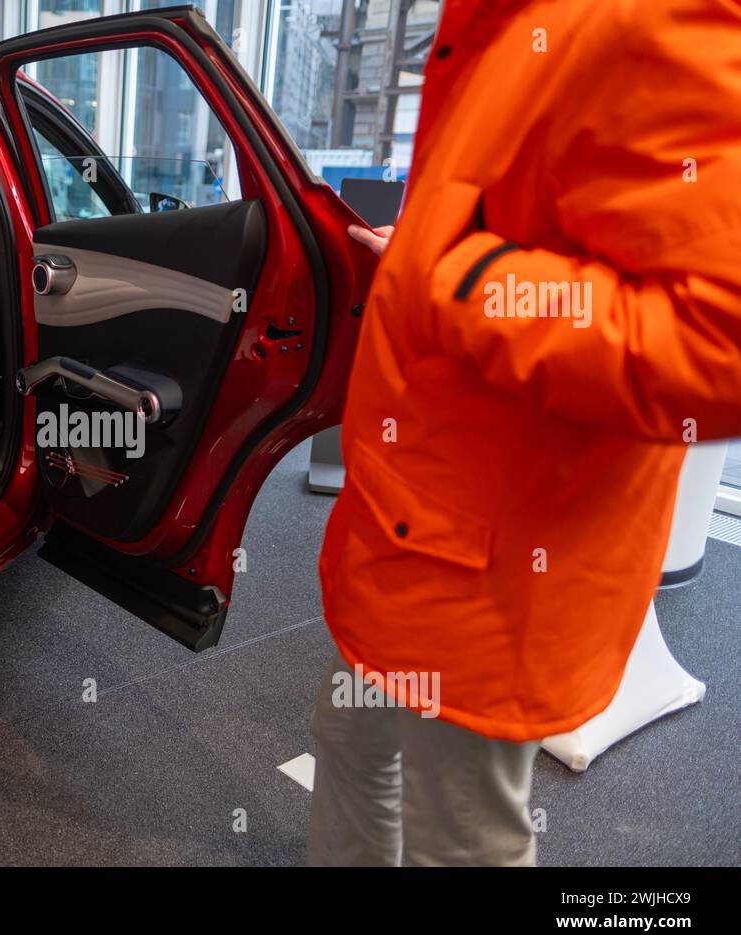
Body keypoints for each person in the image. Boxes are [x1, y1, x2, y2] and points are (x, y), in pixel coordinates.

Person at [308, 0, 741, 866]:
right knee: (352, 750)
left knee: (462, 833)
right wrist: (435, 251)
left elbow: (714, 343)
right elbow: (526, 227)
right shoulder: (500, 23)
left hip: (494, 568)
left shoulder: (653, 22)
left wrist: (463, 277)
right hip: (413, 525)